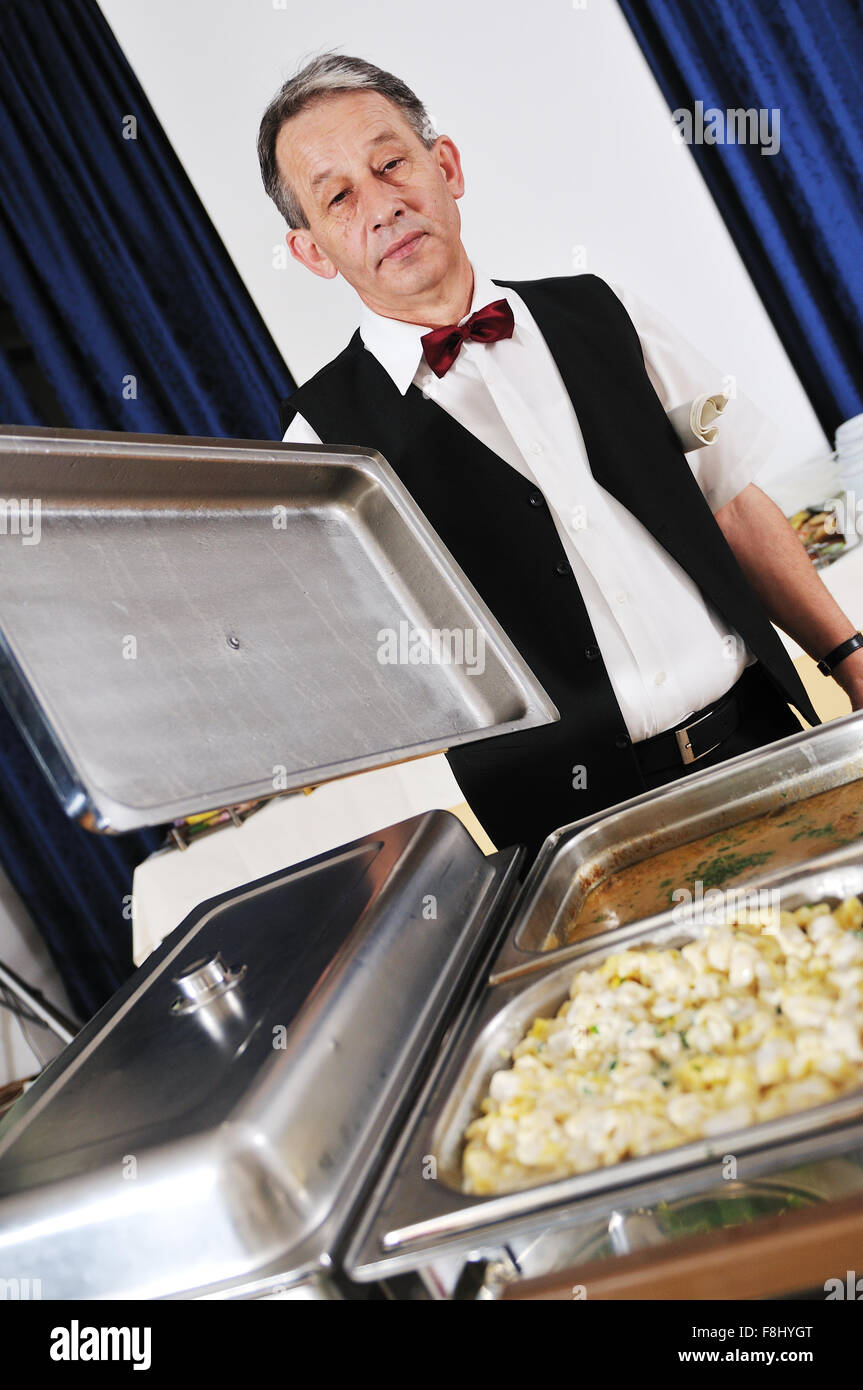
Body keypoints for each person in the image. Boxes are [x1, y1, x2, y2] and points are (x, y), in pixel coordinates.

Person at [256, 52, 863, 855]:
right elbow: (371, 690)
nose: (381, 206)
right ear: (313, 251)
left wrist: (849, 657)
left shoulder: (607, 314)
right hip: (577, 833)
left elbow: (731, 504)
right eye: (337, 196)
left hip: (763, 744)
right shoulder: (321, 449)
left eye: (391, 163)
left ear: (446, 166)